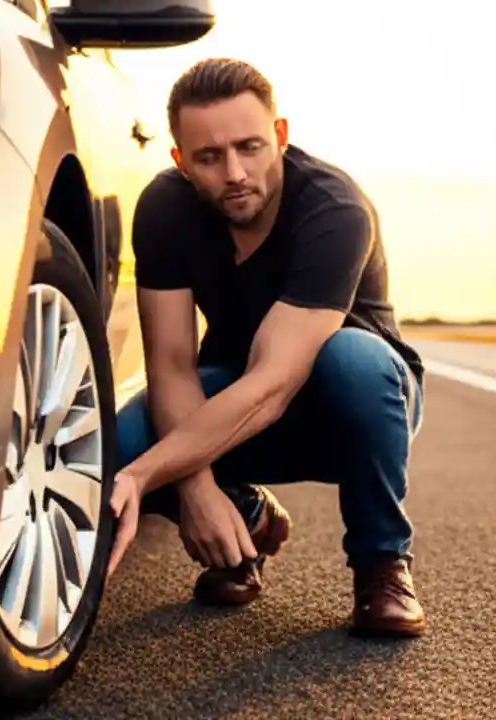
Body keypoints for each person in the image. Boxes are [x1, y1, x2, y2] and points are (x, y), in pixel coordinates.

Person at [105, 57, 428, 637]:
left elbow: (275, 382)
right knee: (121, 440)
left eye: (250, 147)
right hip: (235, 399)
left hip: (353, 410)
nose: (234, 172)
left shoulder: (335, 208)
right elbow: (172, 366)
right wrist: (197, 490)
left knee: (351, 360)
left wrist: (150, 474)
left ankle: (383, 565)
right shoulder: (165, 209)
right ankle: (242, 528)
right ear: (180, 160)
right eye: (209, 157)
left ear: (279, 135)